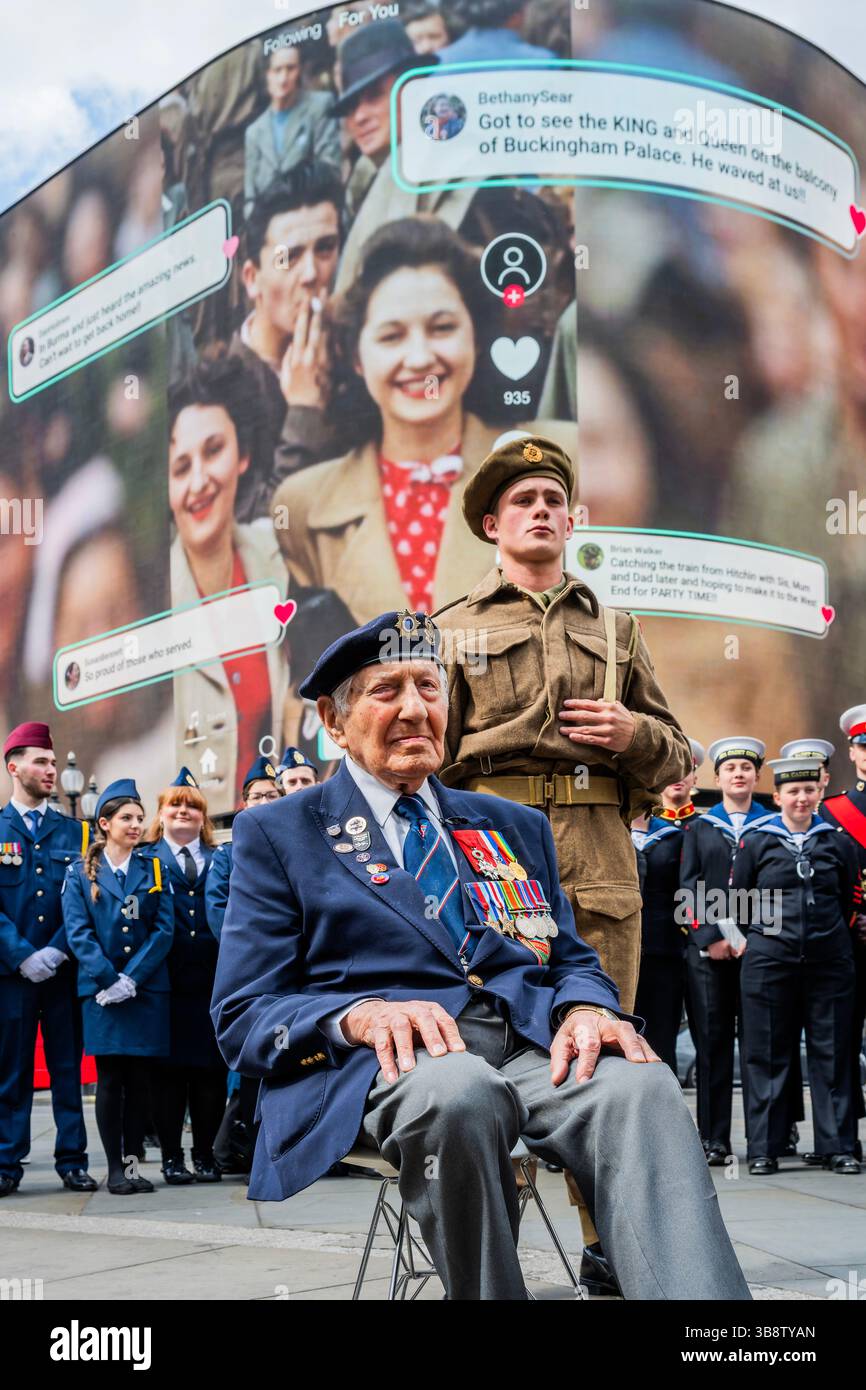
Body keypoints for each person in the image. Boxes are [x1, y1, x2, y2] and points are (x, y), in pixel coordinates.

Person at [210, 610, 750, 1302]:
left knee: (641, 1085)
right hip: (389, 1065)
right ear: (333, 721)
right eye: (386, 691)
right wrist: (360, 1015)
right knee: (459, 1094)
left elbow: (569, 957)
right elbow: (244, 1014)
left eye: (429, 689)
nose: (415, 709)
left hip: (528, 1049)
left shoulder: (509, 823)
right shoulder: (280, 831)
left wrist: (588, 1006)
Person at [433, 433, 691, 1293]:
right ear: (490, 523)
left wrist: (633, 735)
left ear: (572, 519)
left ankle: (609, 1246)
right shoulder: (450, 630)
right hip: (490, 859)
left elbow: (678, 756)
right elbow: (423, 760)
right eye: (523, 502)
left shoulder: (616, 630)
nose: (542, 511)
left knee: (603, 1061)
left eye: (554, 500)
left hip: (599, 865)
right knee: (498, 1051)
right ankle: (491, 1243)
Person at [273, 217, 577, 625]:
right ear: (357, 358)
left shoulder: (564, 458)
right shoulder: (303, 506)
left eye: (442, 328)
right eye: (391, 336)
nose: (419, 359)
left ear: (475, 337)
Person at [169, 352, 290, 815]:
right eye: (181, 468)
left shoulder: (273, 556)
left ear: (242, 456)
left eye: (214, 450)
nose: (198, 481)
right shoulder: (154, 595)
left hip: (271, 835)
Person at [733, 757, 861, 1175]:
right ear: (778, 797)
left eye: (809, 791)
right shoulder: (758, 842)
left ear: (819, 793)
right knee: (767, 1055)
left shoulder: (836, 842)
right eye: (793, 792)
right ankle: (764, 1148)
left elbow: (845, 899)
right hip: (771, 963)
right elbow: (739, 904)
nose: (802, 798)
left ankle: (838, 1146)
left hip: (829, 963)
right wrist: (759, 943)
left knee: (835, 1054)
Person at [61, 779, 174, 1195]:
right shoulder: (78, 874)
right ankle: (113, 1169)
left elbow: (164, 930)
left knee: (140, 1082)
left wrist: (132, 978)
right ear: (105, 823)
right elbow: (78, 932)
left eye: (140, 818)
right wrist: (109, 979)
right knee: (110, 1082)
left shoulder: (155, 869)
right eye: (127, 818)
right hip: (101, 994)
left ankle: (131, 1168)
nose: (136, 825)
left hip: (144, 992)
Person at [0, 722, 96, 1197]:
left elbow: (83, 899)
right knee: (11, 1071)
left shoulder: (76, 833)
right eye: (41, 761)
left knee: (66, 1071)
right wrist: (21, 955)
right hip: (12, 976)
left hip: (63, 971)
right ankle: (5, 1163)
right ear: (13, 766)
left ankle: (73, 1160)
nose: (51, 770)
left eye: (53, 762)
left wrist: (57, 949)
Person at [679, 736, 772, 1165]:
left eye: (746, 769)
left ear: (756, 776)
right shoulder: (701, 826)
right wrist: (711, 937)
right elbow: (689, 886)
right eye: (730, 768)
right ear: (717, 777)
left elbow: (777, 885)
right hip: (711, 954)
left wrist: (757, 936)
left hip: (759, 950)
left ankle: (765, 1141)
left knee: (759, 1044)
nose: (739, 774)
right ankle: (714, 1139)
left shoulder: (770, 825)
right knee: (713, 1046)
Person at [232, 164, 343, 500]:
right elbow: (256, 532)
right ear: (252, 278)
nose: (311, 273)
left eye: (325, 249)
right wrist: (304, 415)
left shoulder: (354, 353)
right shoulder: (222, 387)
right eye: (289, 258)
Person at [141, 770, 224, 1184]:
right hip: (165, 985)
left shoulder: (221, 857)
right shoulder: (145, 857)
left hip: (212, 982)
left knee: (210, 1074)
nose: (184, 811)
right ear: (161, 813)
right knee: (168, 1078)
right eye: (175, 804)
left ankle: (206, 1154)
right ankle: (172, 1157)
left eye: (192, 806)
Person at [206, 756, 282, 1177]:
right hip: (248, 972)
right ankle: (229, 1148)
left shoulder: (293, 843)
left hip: (287, 977)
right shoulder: (229, 853)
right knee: (245, 1068)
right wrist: (255, 952)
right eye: (257, 796)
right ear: (244, 803)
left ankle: (267, 1150)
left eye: (272, 794)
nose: (265, 801)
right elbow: (219, 910)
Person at [632, 738, 704, 1073]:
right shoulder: (611, 830)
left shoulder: (676, 835)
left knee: (661, 1041)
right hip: (619, 948)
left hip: (664, 950)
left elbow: (692, 891)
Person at [820, 706, 866, 1165]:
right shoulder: (833, 812)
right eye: (864, 745)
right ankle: (844, 1141)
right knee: (842, 1044)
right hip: (848, 943)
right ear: (853, 752)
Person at [244, 44, 339, 217]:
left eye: (290, 69)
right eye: (277, 70)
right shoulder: (254, 132)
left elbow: (329, 166)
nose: (283, 78)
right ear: (267, 75)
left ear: (300, 71)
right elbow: (250, 198)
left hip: (313, 214)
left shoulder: (319, 106)